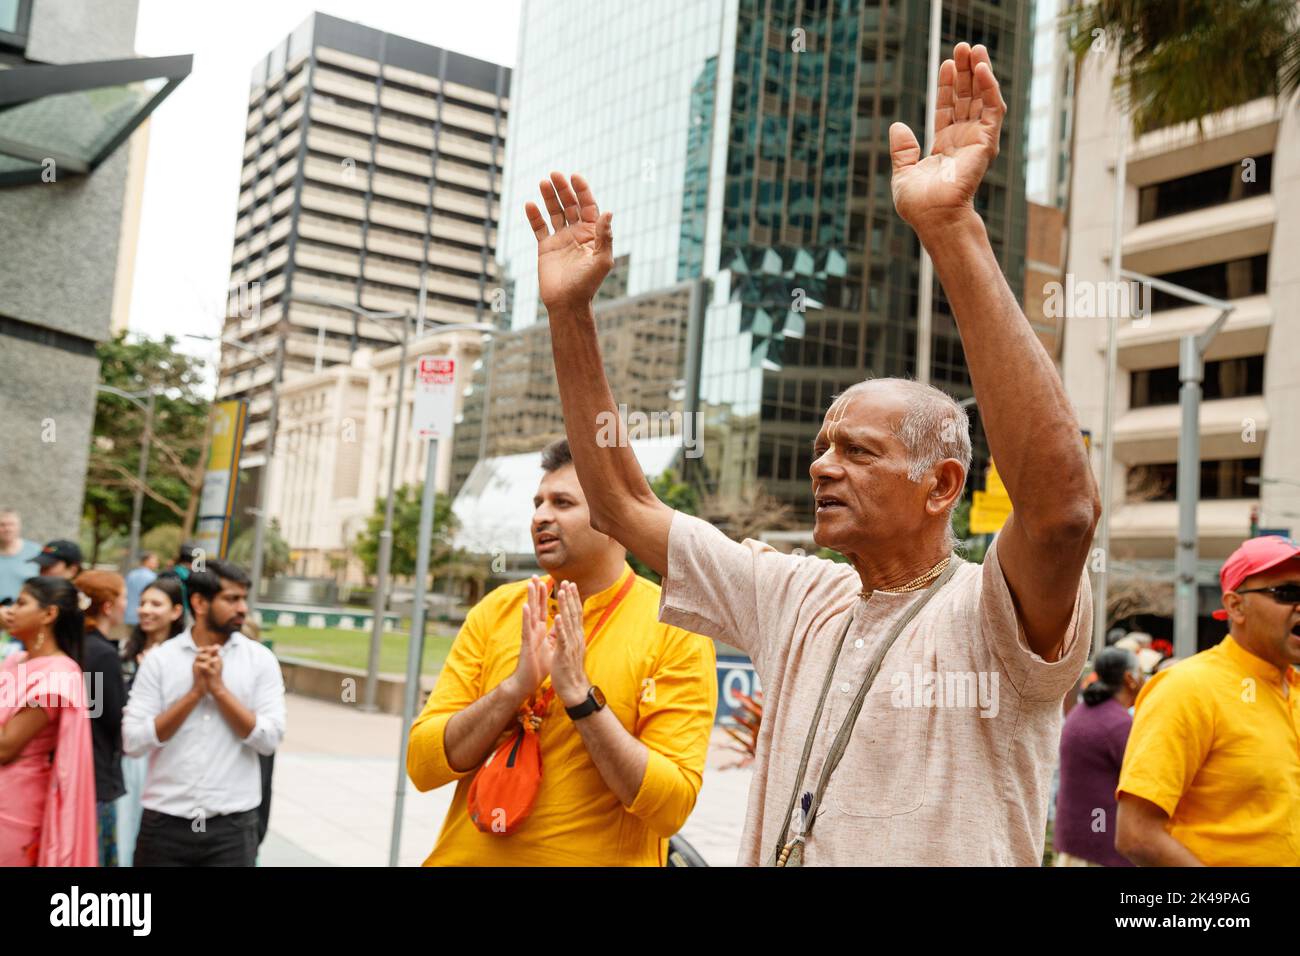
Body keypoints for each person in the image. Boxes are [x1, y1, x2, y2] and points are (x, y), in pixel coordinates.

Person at [525, 42, 1098, 865]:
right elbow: (622, 506)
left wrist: (950, 227)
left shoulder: (993, 616)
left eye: (857, 452)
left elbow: (1063, 514)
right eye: (822, 445)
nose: (821, 466)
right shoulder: (797, 595)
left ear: (941, 484)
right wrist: (572, 314)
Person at [407, 439, 718, 866]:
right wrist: (512, 690)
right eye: (538, 502)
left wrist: (581, 699)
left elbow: (670, 806)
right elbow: (423, 764)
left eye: (562, 502)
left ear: (614, 518)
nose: (540, 516)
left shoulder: (675, 628)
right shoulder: (498, 610)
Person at [1116, 535, 1300, 866]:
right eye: (1287, 593)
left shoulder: (1294, 689)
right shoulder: (1187, 688)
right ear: (1235, 606)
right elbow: (1137, 834)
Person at [122, 560, 286, 866]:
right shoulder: (161, 661)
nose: (242, 609)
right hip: (164, 826)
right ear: (199, 602)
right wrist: (195, 693)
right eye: (231, 599)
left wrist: (219, 692)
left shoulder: (260, 661)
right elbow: (133, 742)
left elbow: (269, 739)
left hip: (232, 829)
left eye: (243, 599)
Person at [0, 577, 98, 866]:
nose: (11, 611)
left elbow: (6, 747)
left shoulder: (58, 675)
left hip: (13, 804)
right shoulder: (14, 661)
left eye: (21, 603)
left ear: (49, 614)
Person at [115, 575, 187, 866]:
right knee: (125, 828)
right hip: (127, 759)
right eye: (143, 603)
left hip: (165, 761)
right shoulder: (122, 652)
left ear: (176, 611)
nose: (145, 610)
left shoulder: (184, 659)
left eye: (156, 604)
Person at [1053, 647, 1143, 867]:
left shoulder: (1081, 712)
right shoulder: (1118, 723)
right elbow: (1143, 781)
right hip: (1102, 847)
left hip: (1074, 840)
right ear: (1130, 678)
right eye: (1142, 672)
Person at [72, 570, 129, 867]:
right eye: (124, 598)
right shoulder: (101, 654)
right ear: (108, 606)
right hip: (95, 776)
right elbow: (106, 716)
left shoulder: (77, 645)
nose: (126, 606)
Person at [0, 509, 41, 605]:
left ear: (19, 526)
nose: (7, 529)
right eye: (2, 525)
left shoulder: (36, 551)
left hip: (24, 613)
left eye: (11, 524)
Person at [123, 552, 159, 629]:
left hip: (128, 614)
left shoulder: (131, 575)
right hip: (144, 616)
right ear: (146, 561)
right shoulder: (153, 577)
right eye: (154, 561)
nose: (157, 564)